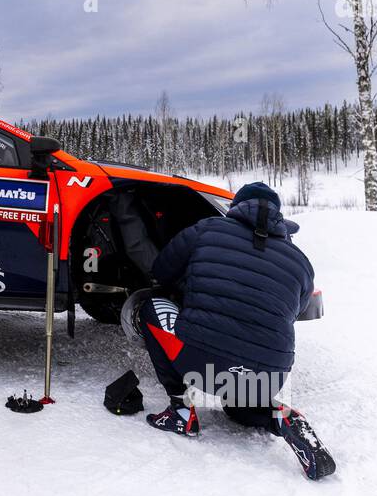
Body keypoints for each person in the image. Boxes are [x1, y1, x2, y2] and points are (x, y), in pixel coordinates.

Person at [119, 182, 335, 480]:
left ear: (236, 208)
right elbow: (295, 312)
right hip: (267, 376)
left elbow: (162, 272)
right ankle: (282, 419)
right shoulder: (300, 261)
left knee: (150, 306)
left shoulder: (207, 229)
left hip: (198, 360)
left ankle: (180, 410)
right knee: (239, 408)